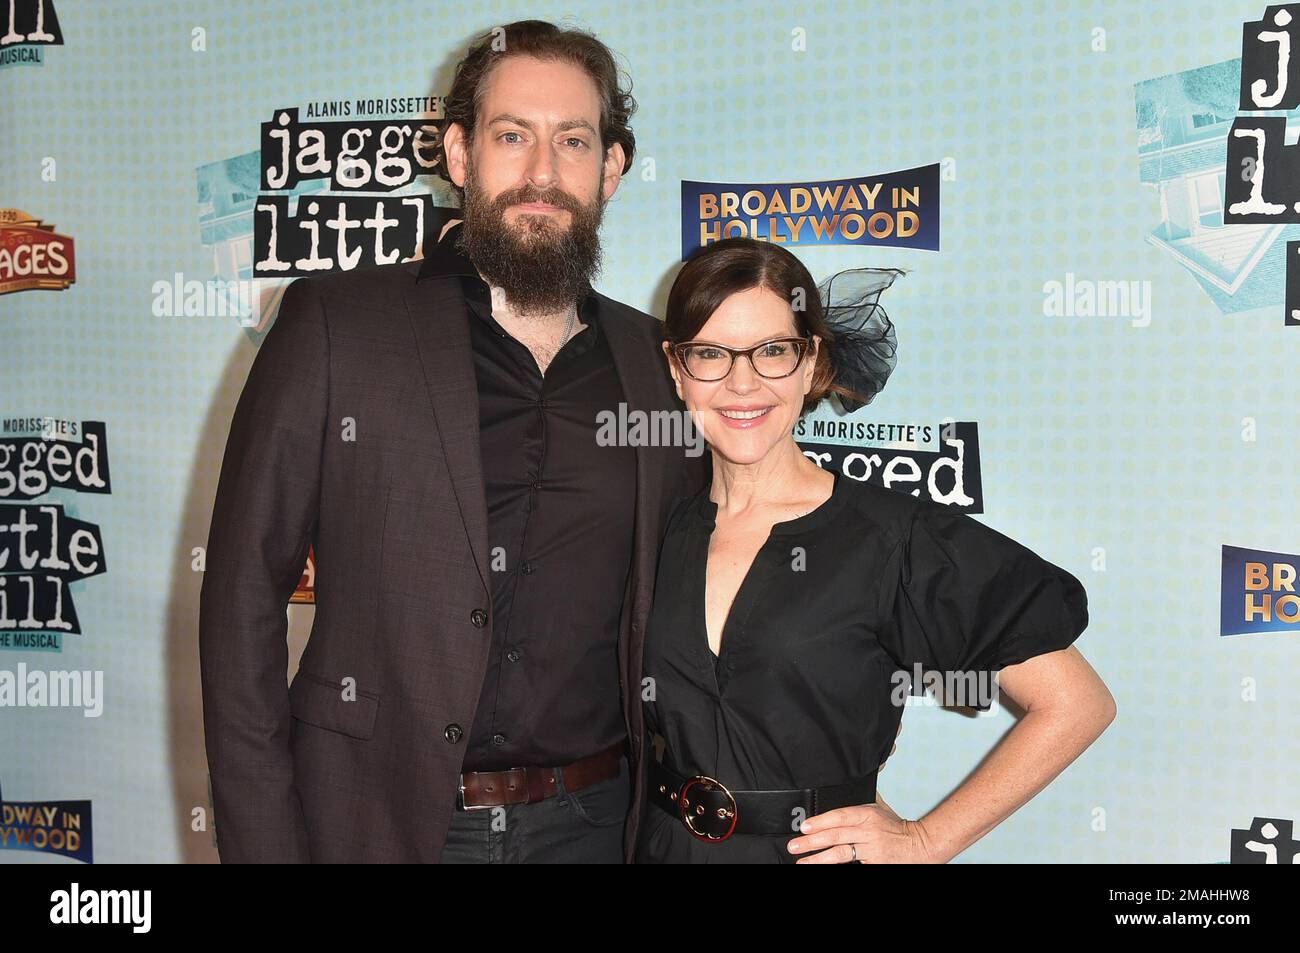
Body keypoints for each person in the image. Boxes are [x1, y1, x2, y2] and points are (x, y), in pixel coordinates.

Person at [198, 20, 707, 863]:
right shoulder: (336, 325)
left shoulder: (663, 367)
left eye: (572, 141)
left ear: (611, 168)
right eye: (512, 136)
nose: (542, 172)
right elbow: (241, 598)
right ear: (460, 153)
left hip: (596, 828)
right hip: (372, 824)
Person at [635, 237, 1117, 864]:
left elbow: (1077, 703)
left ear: (811, 362)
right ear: (677, 370)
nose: (742, 382)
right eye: (710, 354)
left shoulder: (893, 538)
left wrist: (928, 840)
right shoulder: (660, 529)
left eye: (773, 351)